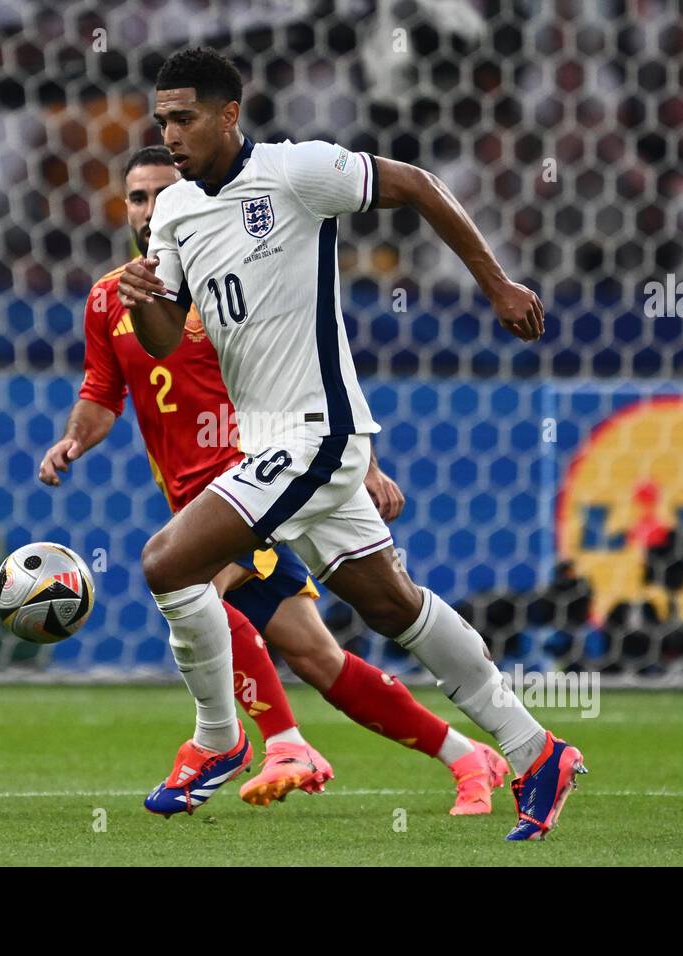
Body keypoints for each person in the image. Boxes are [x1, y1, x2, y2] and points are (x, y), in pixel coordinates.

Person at [117, 48, 585, 840]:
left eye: (184, 117)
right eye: (162, 118)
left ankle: (219, 739)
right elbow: (165, 341)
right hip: (270, 444)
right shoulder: (173, 214)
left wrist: (497, 283)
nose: (169, 134)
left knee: (168, 563)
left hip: (316, 435)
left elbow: (417, 186)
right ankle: (535, 750)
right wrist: (143, 303)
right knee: (393, 605)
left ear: (230, 115)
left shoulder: (298, 172)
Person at [40, 145, 509, 814]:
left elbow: (314, 370)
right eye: (135, 198)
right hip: (197, 503)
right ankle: (469, 757)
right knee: (320, 659)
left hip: (259, 487)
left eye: (158, 193)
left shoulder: (228, 274)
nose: (147, 210)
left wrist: (363, 463)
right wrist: (73, 440)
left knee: (193, 584)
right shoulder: (110, 299)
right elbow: (101, 390)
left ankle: (273, 741)